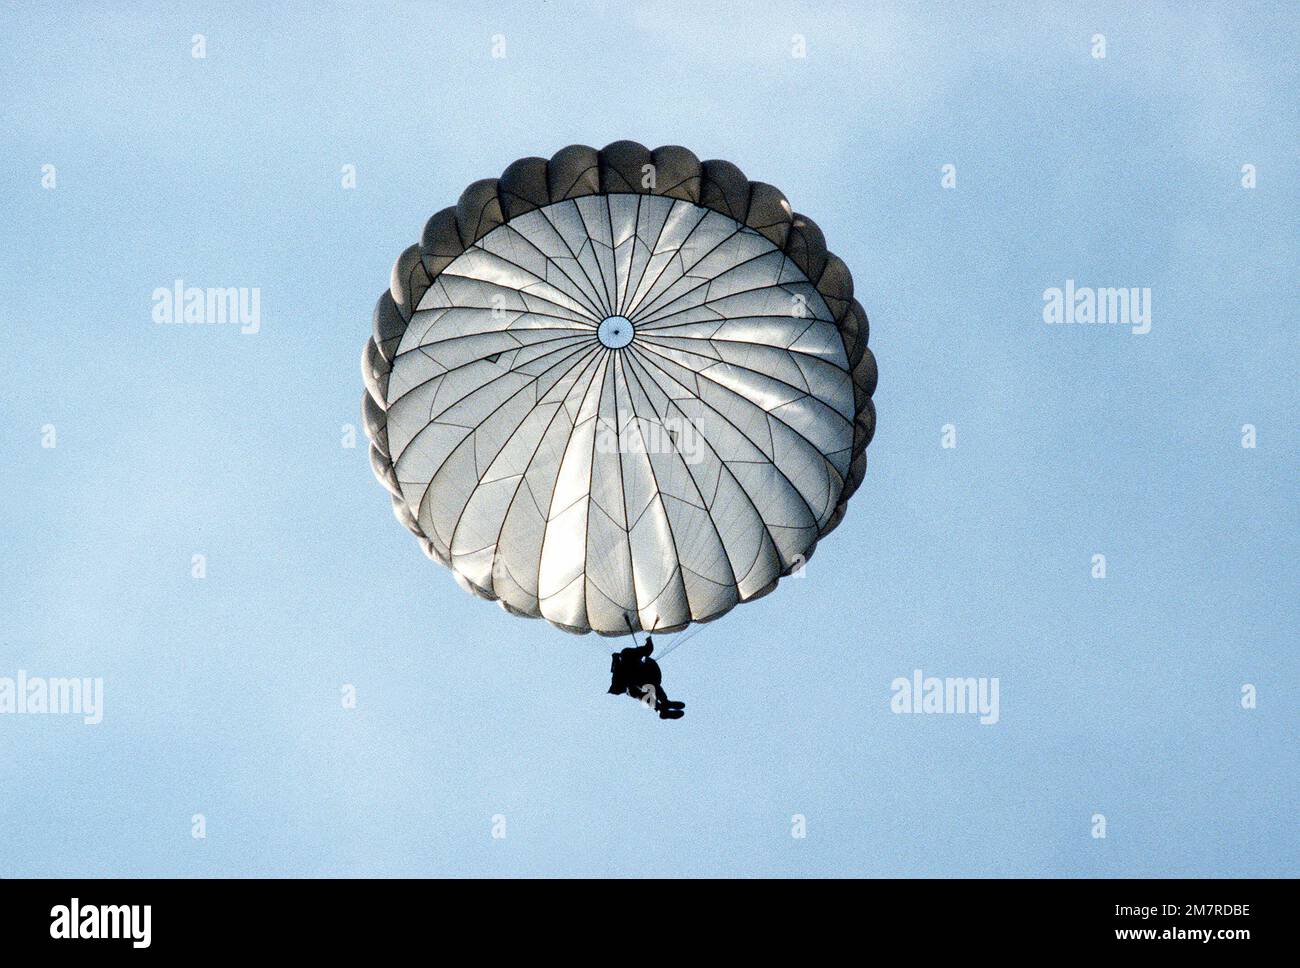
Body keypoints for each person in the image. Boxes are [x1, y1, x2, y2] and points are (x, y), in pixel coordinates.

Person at [608, 637, 685, 719]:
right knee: (652, 687)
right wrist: (649, 639)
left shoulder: (619, 663)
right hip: (635, 683)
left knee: (648, 691)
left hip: (633, 685)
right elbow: (648, 649)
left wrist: (614, 658)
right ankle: (664, 705)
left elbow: (614, 670)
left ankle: (662, 708)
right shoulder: (628, 656)